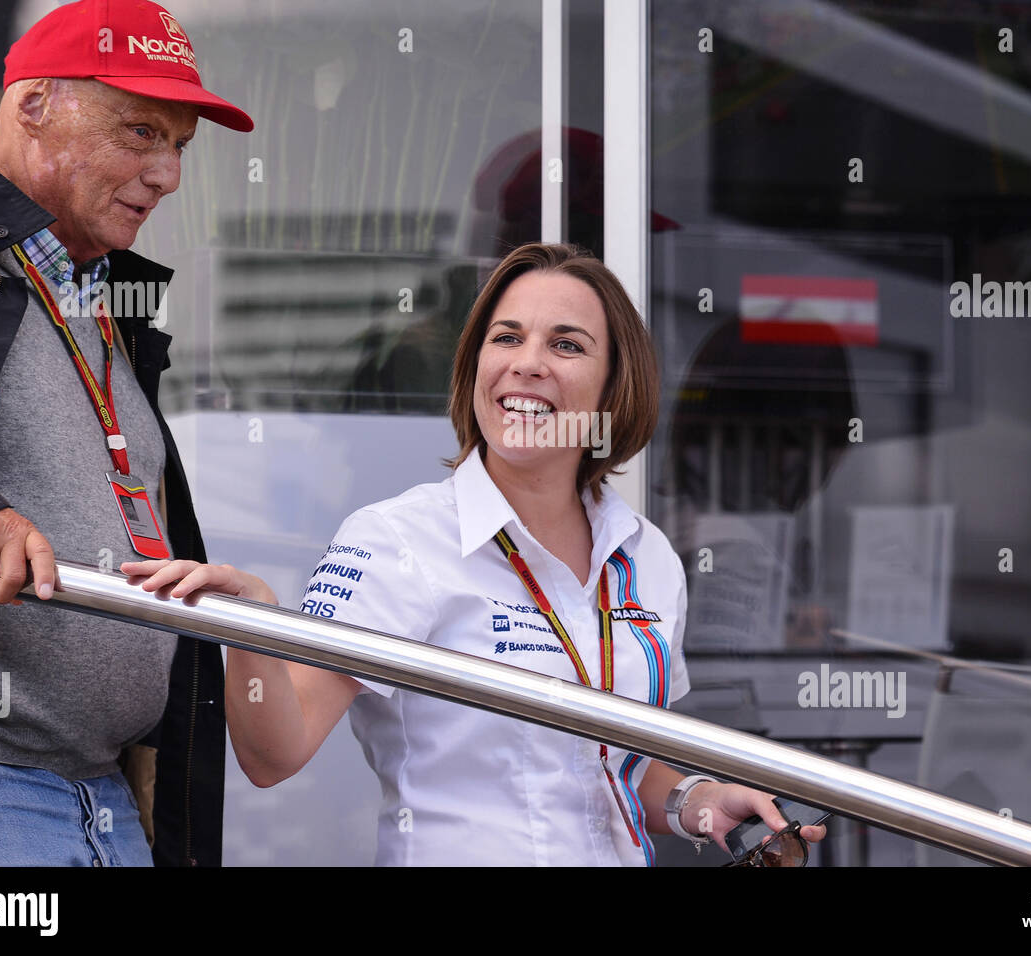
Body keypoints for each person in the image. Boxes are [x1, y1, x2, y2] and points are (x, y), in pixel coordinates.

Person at [125, 243, 827, 865]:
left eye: (566, 345)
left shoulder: (648, 556)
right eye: (506, 337)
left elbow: (611, 770)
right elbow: (273, 755)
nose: (527, 364)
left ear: (615, 387)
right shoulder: (397, 540)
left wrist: (700, 802)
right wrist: (252, 627)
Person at [0, 0, 252, 866]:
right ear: (32, 105)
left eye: (180, 146)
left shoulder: (106, 303)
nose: (167, 174)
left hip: (108, 795)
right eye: (140, 132)